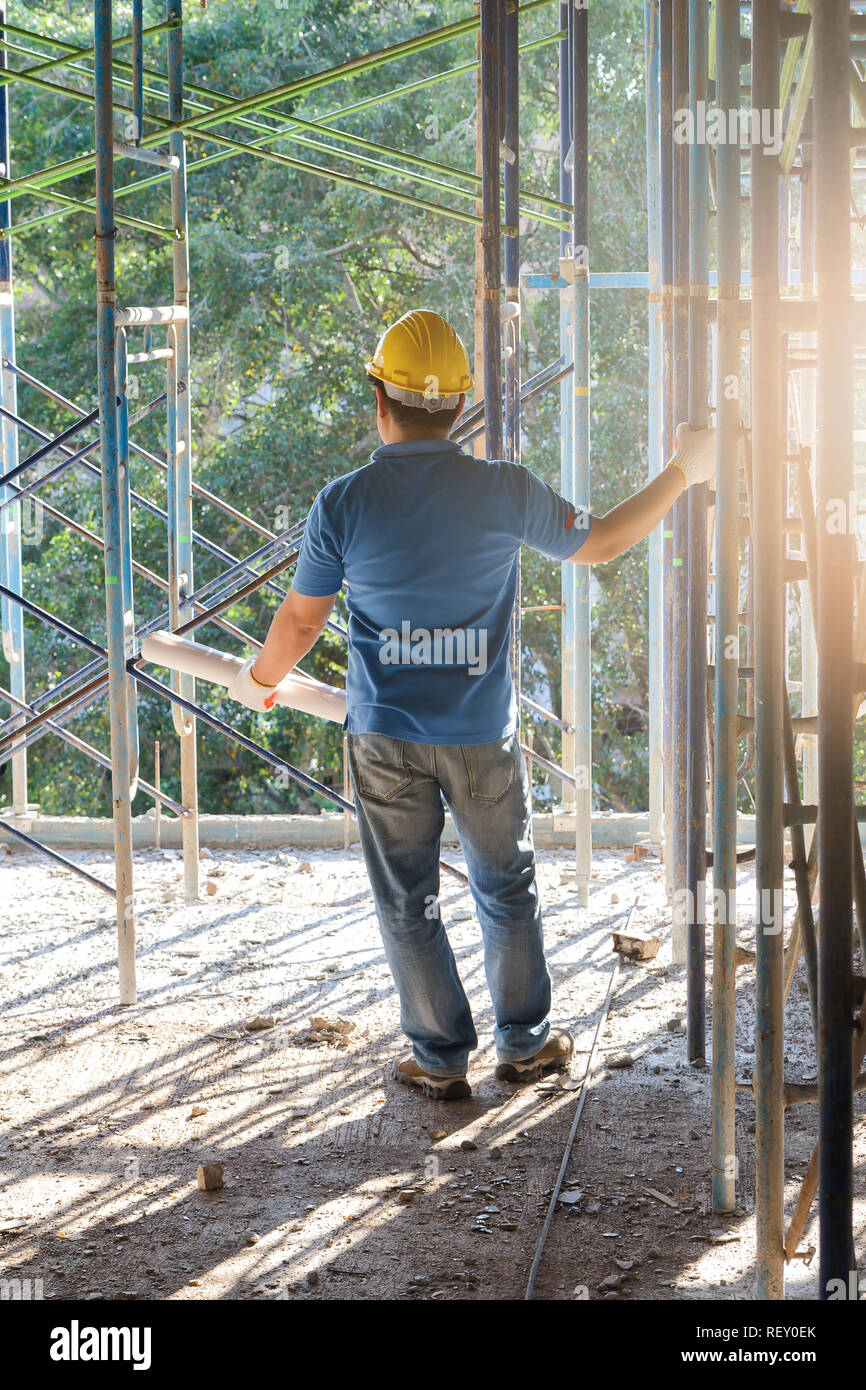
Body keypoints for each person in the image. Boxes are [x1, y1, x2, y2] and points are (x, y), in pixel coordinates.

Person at [228, 309, 715, 1100]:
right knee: (506, 883)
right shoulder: (504, 490)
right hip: (482, 735)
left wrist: (259, 680)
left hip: (384, 736)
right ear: (459, 407)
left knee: (406, 900)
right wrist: (684, 471)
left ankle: (439, 1056)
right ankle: (523, 1043)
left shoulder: (343, 503)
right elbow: (603, 540)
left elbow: (300, 621)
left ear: (377, 401)